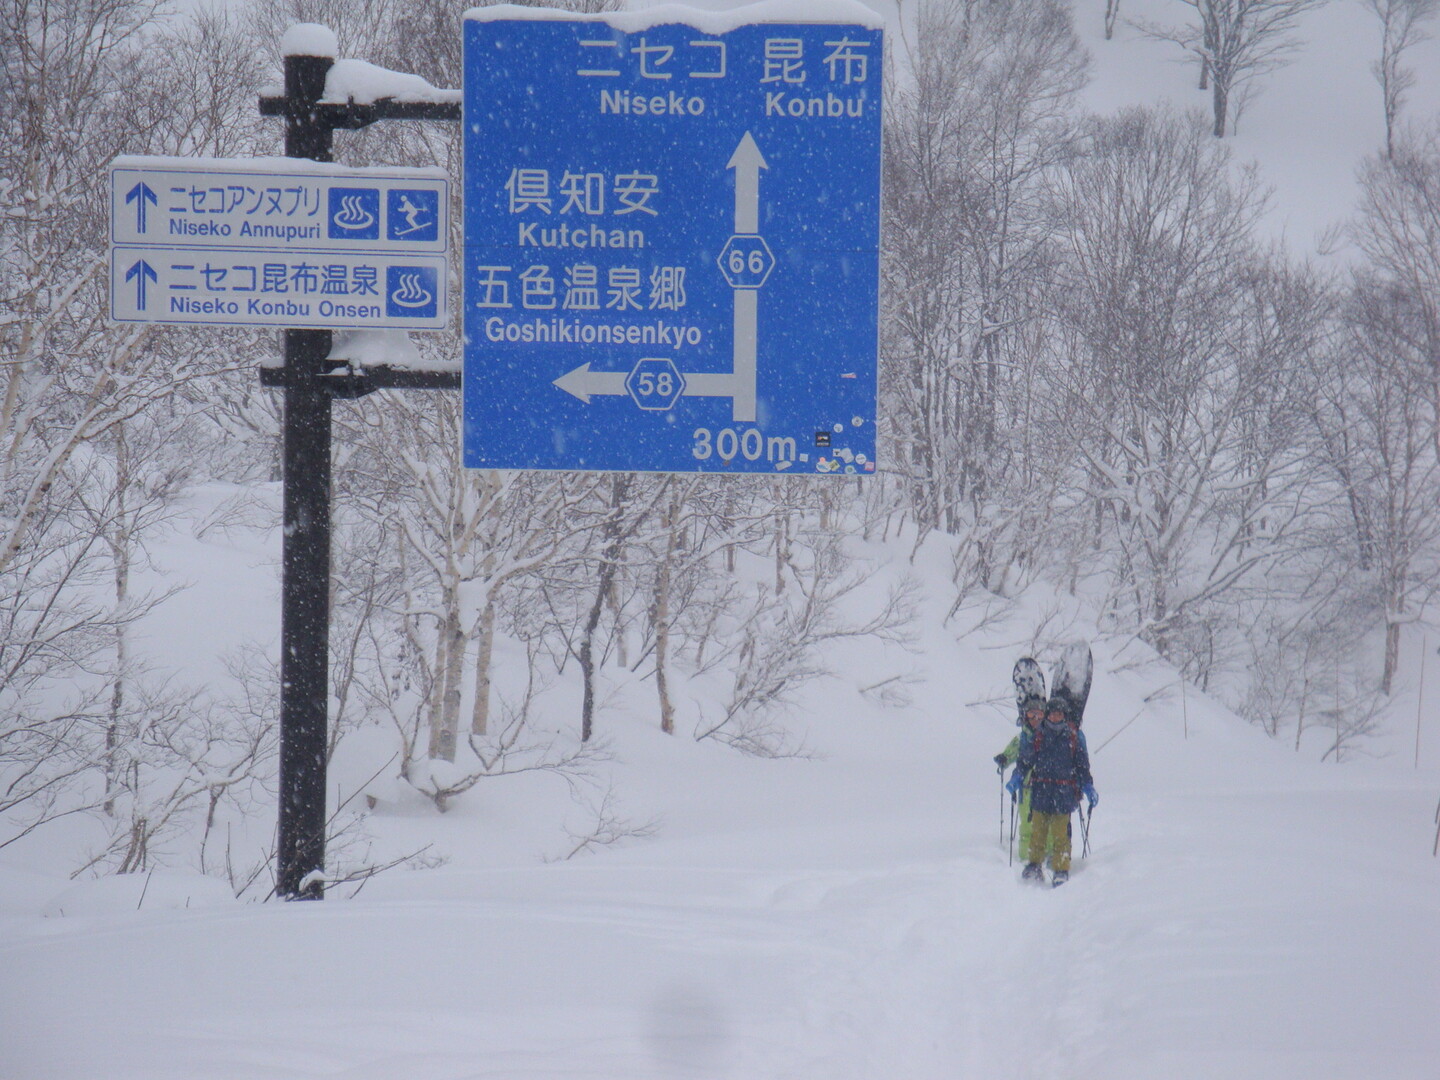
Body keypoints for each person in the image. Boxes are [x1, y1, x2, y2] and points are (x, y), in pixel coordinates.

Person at [1010, 696, 1098, 886]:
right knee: (1038, 833)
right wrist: (1017, 776)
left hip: (1063, 793)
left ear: (1064, 716)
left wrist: (1087, 786)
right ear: (1047, 715)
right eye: (1052, 714)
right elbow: (1026, 761)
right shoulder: (1039, 736)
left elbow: (1082, 767)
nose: (1055, 717)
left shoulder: (1072, 737)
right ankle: (1034, 865)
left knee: (1060, 835)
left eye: (1059, 714)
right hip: (1041, 791)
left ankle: (1060, 869)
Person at [995, 694, 1045, 858]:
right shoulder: (1022, 738)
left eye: (1039, 714)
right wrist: (1004, 758)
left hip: (1047, 786)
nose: (1036, 719)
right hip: (1025, 787)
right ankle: (1027, 858)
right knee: (1027, 825)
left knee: (1048, 825)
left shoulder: (1049, 736)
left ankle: (1049, 858)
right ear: (1025, 716)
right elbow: (1011, 753)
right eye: (1032, 714)